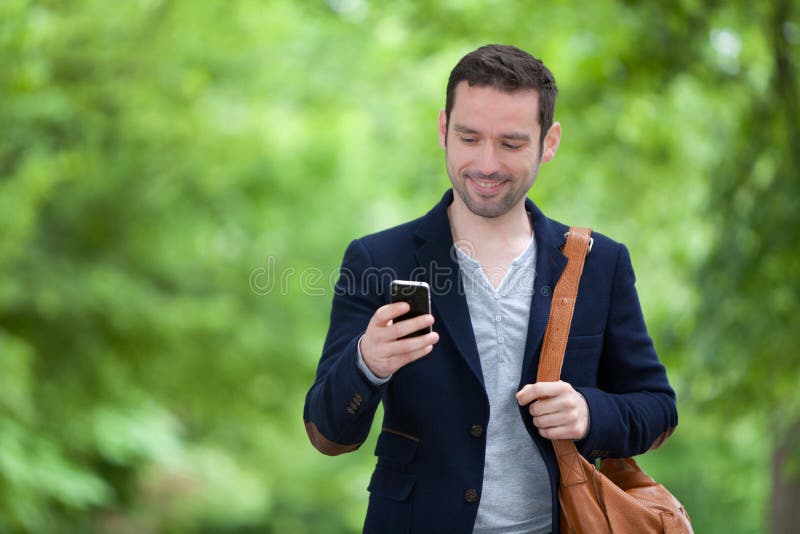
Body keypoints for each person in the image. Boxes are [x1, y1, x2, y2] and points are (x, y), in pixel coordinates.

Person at [303, 44, 677, 534]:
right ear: (443, 130)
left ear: (549, 142)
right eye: (469, 137)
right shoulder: (378, 260)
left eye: (511, 143)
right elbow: (327, 434)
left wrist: (589, 411)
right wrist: (367, 363)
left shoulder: (598, 264)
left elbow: (658, 407)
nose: (486, 163)